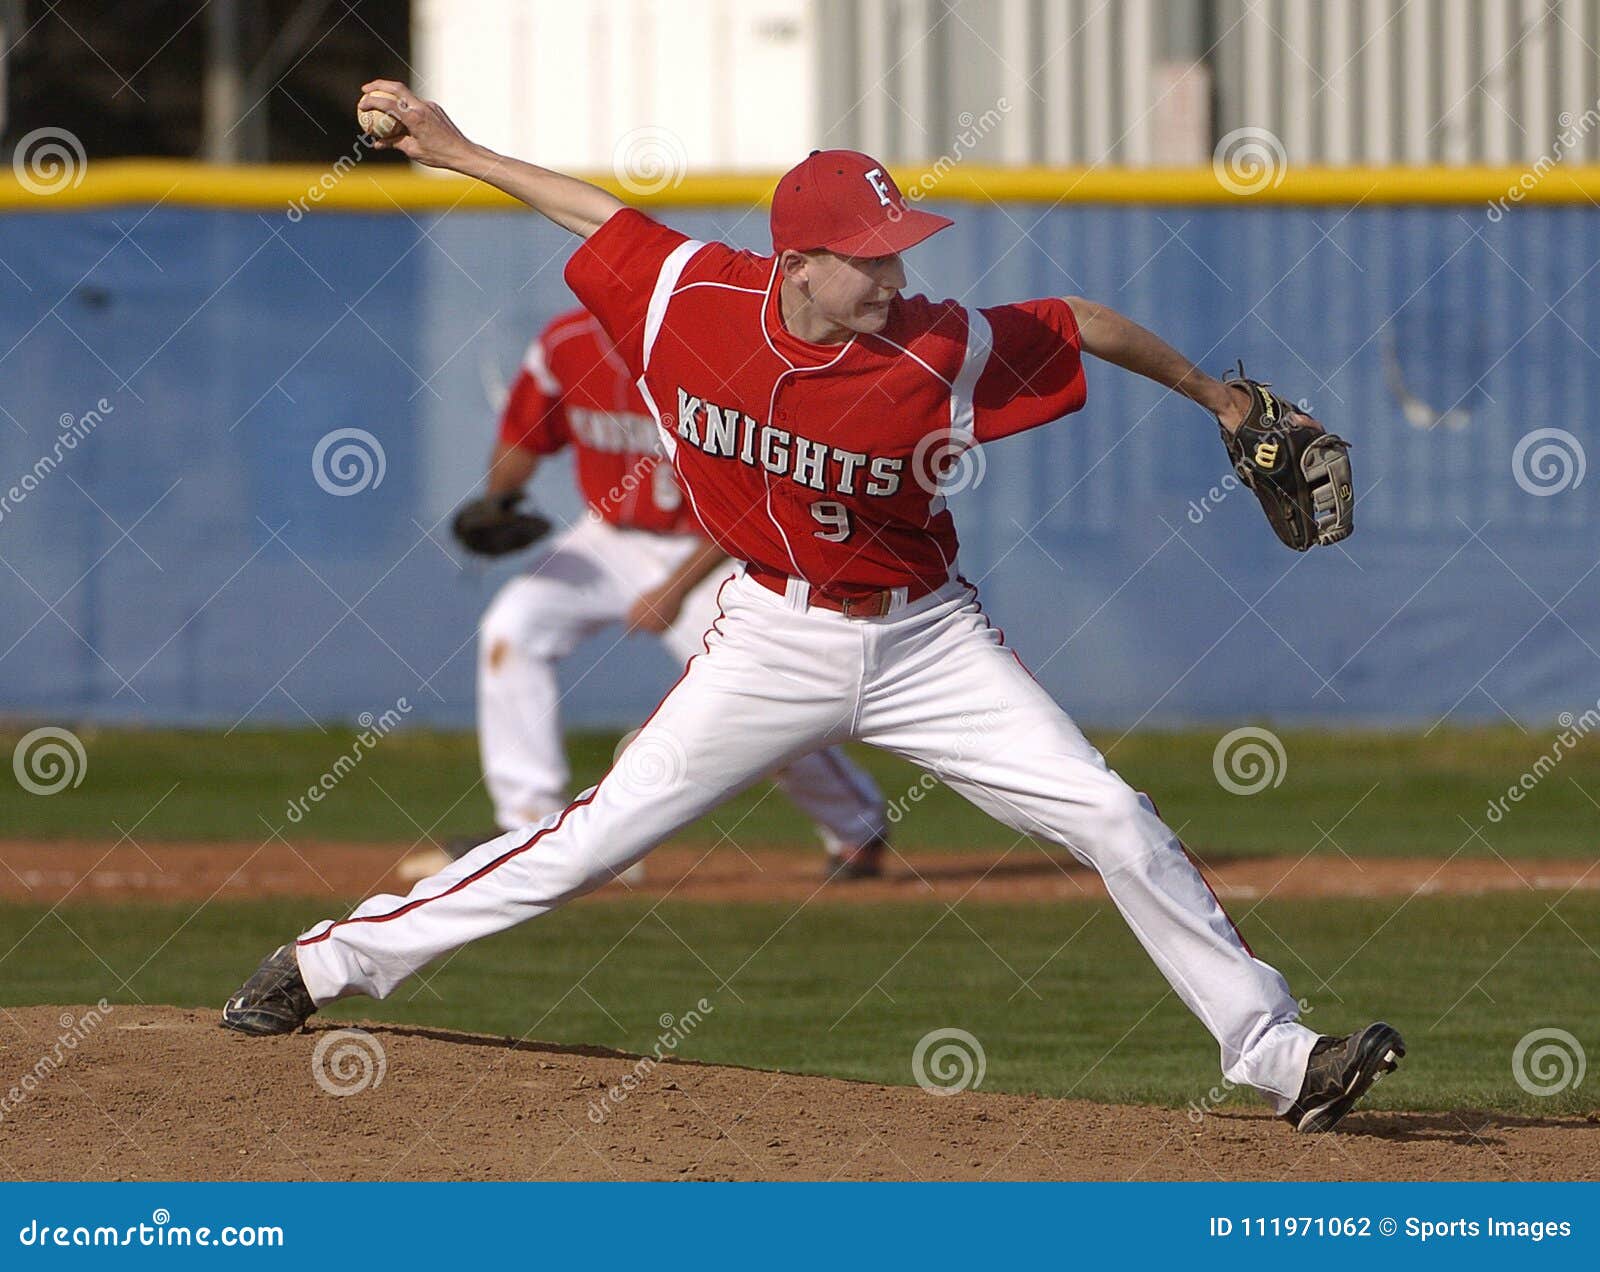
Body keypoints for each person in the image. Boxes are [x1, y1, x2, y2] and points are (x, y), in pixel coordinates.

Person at [223, 80, 1404, 1134]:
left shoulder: (937, 344)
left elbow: (1077, 321)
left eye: (898, 251)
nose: (895, 276)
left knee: (1112, 817)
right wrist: (458, 147)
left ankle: (1284, 1058)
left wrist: (1215, 399)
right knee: (585, 843)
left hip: (927, 636)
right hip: (770, 636)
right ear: (796, 263)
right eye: (870, 257)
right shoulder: (690, 294)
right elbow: (591, 214)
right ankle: (331, 962)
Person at [395, 304, 889, 884]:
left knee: (756, 689)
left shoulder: (721, 351)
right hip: (606, 536)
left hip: (712, 547)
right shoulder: (567, 343)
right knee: (513, 626)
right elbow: (523, 434)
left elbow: (759, 495)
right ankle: (529, 825)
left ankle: (856, 825)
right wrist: (497, 499)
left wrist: (674, 590)